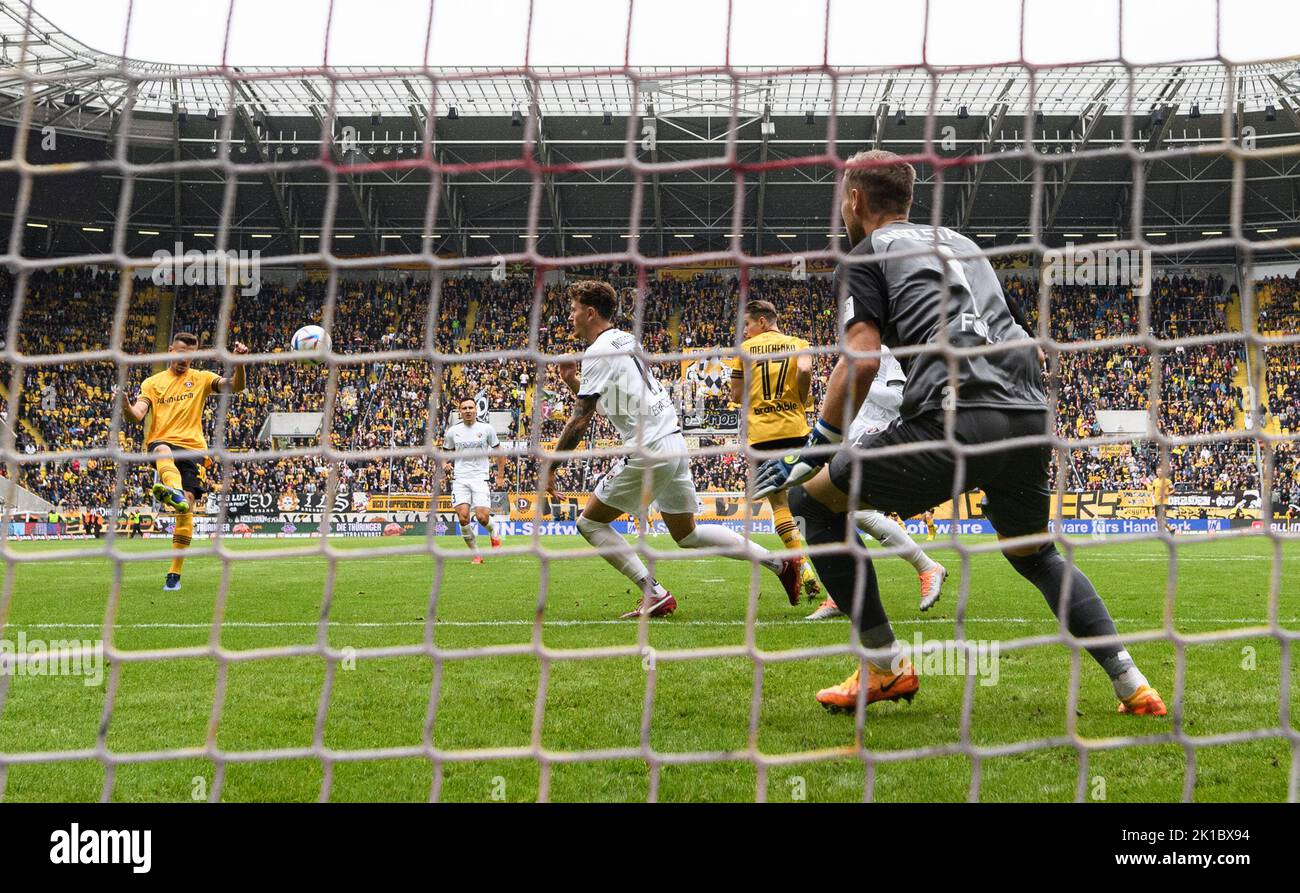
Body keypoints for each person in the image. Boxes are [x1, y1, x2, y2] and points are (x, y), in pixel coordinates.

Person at [755, 148, 1166, 718]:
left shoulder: (867, 252)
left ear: (853, 200)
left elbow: (861, 359)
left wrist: (817, 445)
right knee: (1036, 552)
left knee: (810, 501)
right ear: (909, 199)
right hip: (1027, 413)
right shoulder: (963, 244)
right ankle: (1132, 683)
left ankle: (883, 665)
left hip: (956, 416)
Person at [546, 280, 802, 618]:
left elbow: (581, 417)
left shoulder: (597, 352)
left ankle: (655, 593)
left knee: (590, 524)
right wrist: (572, 383)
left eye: (574, 310)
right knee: (687, 534)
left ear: (590, 312)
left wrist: (551, 465)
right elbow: (616, 402)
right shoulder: (628, 341)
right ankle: (780, 563)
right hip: (673, 441)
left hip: (649, 447)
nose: (570, 316)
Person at [806, 344, 948, 620]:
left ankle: (926, 567)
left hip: (876, 438)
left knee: (850, 513)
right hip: (853, 438)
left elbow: (898, 398)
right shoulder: (858, 351)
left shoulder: (884, 351)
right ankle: (840, 595)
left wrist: (856, 380)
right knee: (835, 515)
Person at [121, 332, 250, 591]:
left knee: (185, 508)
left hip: (194, 449)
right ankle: (175, 491)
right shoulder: (153, 383)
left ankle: (174, 573)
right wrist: (124, 404)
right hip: (163, 441)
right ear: (170, 351)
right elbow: (136, 416)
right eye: (180, 355)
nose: (184, 360)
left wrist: (239, 363)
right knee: (161, 451)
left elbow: (236, 387)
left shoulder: (201, 378)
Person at [726, 299, 821, 601]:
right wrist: (799, 400)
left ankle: (803, 567)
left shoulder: (744, 351)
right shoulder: (798, 343)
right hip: (797, 431)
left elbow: (736, 394)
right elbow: (805, 370)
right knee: (818, 499)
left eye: (748, 325)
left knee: (779, 506)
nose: (746, 331)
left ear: (763, 322)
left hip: (762, 437)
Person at [443, 397, 506, 564]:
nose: (468, 410)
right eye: (464, 408)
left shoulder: (486, 429)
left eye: (471, 407)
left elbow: (500, 453)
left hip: (480, 478)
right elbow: (445, 453)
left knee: (482, 518)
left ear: (476, 410)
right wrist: (445, 464)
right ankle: (477, 555)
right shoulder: (453, 432)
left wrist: (500, 476)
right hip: (460, 479)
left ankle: (494, 533)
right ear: (460, 412)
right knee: (463, 518)